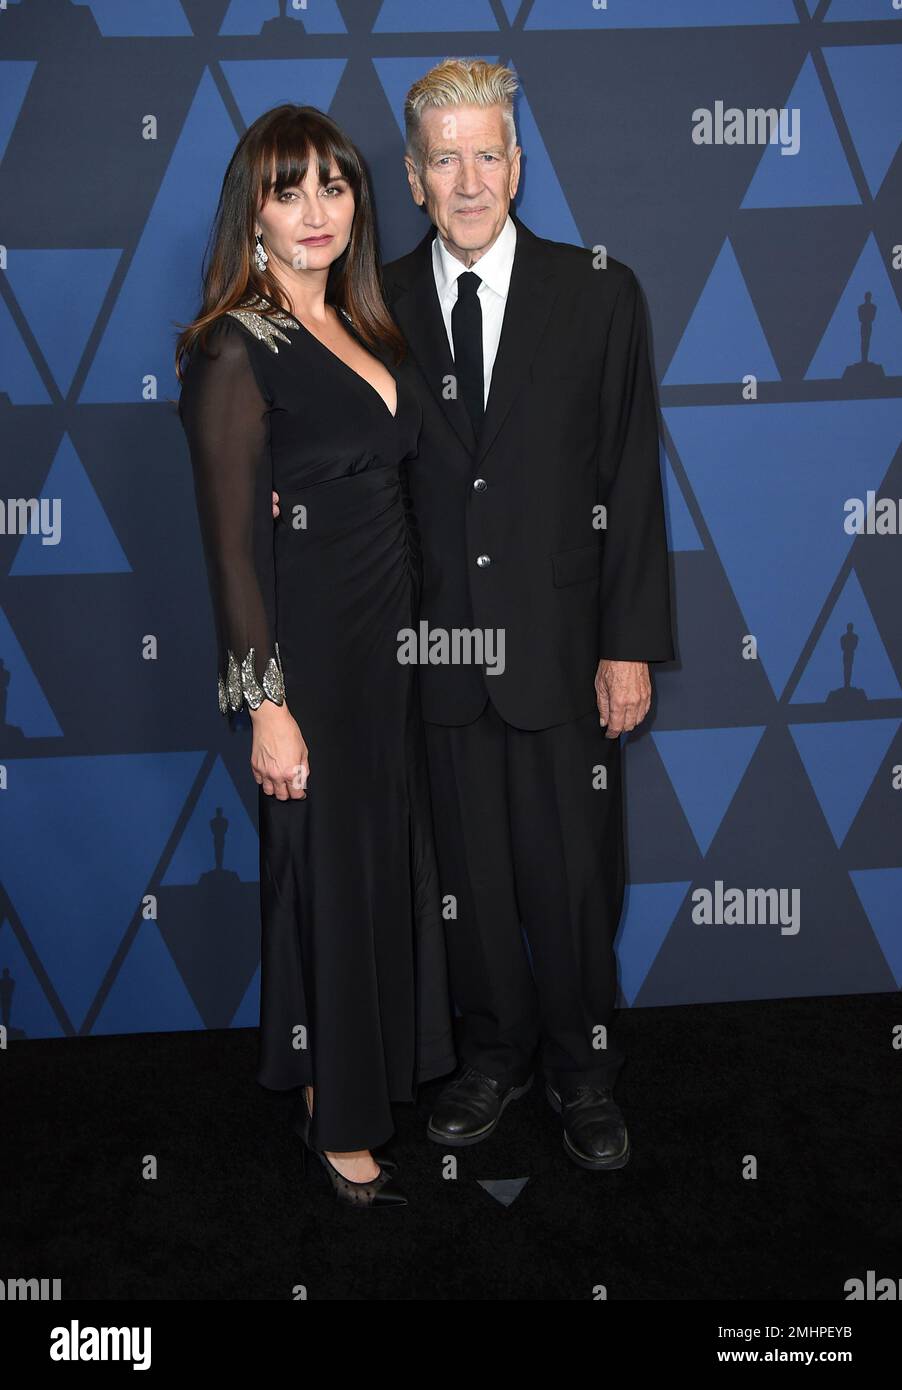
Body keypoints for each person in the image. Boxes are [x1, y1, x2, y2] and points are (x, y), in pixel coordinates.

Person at [275, 59, 675, 1172]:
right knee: (469, 883)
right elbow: (332, 451)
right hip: (430, 658)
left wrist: (626, 641)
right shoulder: (371, 305)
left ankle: (583, 1070)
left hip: (559, 653)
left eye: (485, 153)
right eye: (441, 157)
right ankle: (491, 1056)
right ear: (408, 176)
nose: (466, 178)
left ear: (517, 164)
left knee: (573, 878)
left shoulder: (600, 291)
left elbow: (630, 477)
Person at [175, 104, 456, 1208]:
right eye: (287, 190)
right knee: (324, 882)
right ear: (251, 209)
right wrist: (265, 705)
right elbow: (231, 549)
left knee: (379, 872)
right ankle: (333, 1117)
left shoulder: (363, 325)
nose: (314, 211)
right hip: (311, 665)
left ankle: (352, 1069)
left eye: (332, 187)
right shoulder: (231, 347)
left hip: (393, 654)